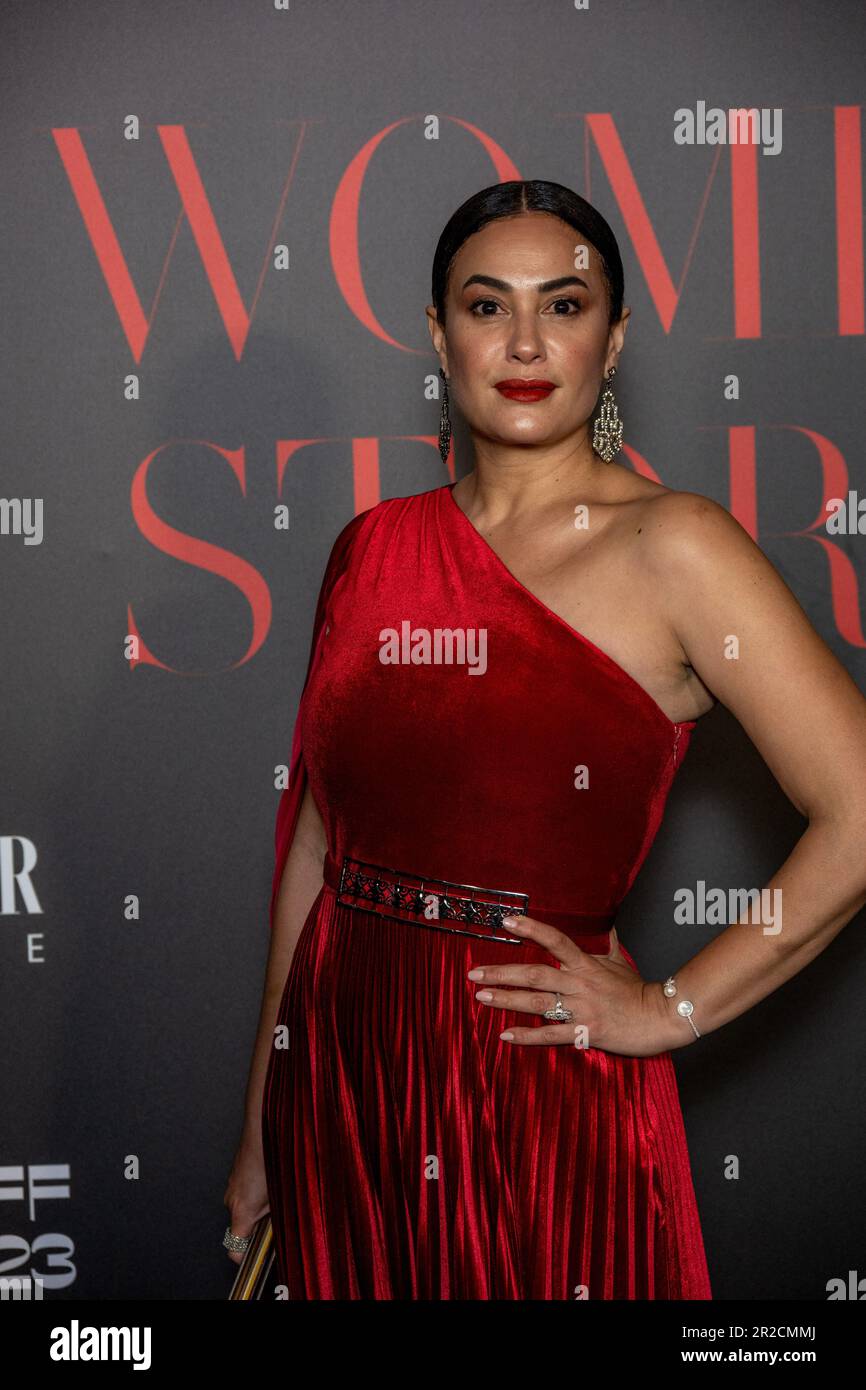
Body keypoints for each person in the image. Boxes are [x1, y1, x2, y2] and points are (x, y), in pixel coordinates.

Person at [223, 179, 866, 1299]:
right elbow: (318, 852)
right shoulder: (368, 548)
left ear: (612, 340)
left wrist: (669, 1007)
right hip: (344, 1068)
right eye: (485, 306)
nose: (524, 341)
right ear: (437, 334)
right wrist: (262, 1119)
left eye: (562, 306)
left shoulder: (675, 547)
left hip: (526, 1079)